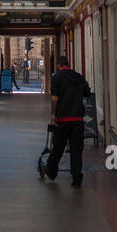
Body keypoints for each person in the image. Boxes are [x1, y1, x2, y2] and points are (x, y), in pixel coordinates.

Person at [40, 54, 90, 187]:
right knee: (76, 150)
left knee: (58, 147)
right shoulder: (79, 77)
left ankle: (52, 171)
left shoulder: (57, 78)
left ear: (58, 65)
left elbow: (55, 98)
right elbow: (87, 92)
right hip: (77, 119)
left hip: (62, 118)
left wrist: (53, 114)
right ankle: (77, 178)